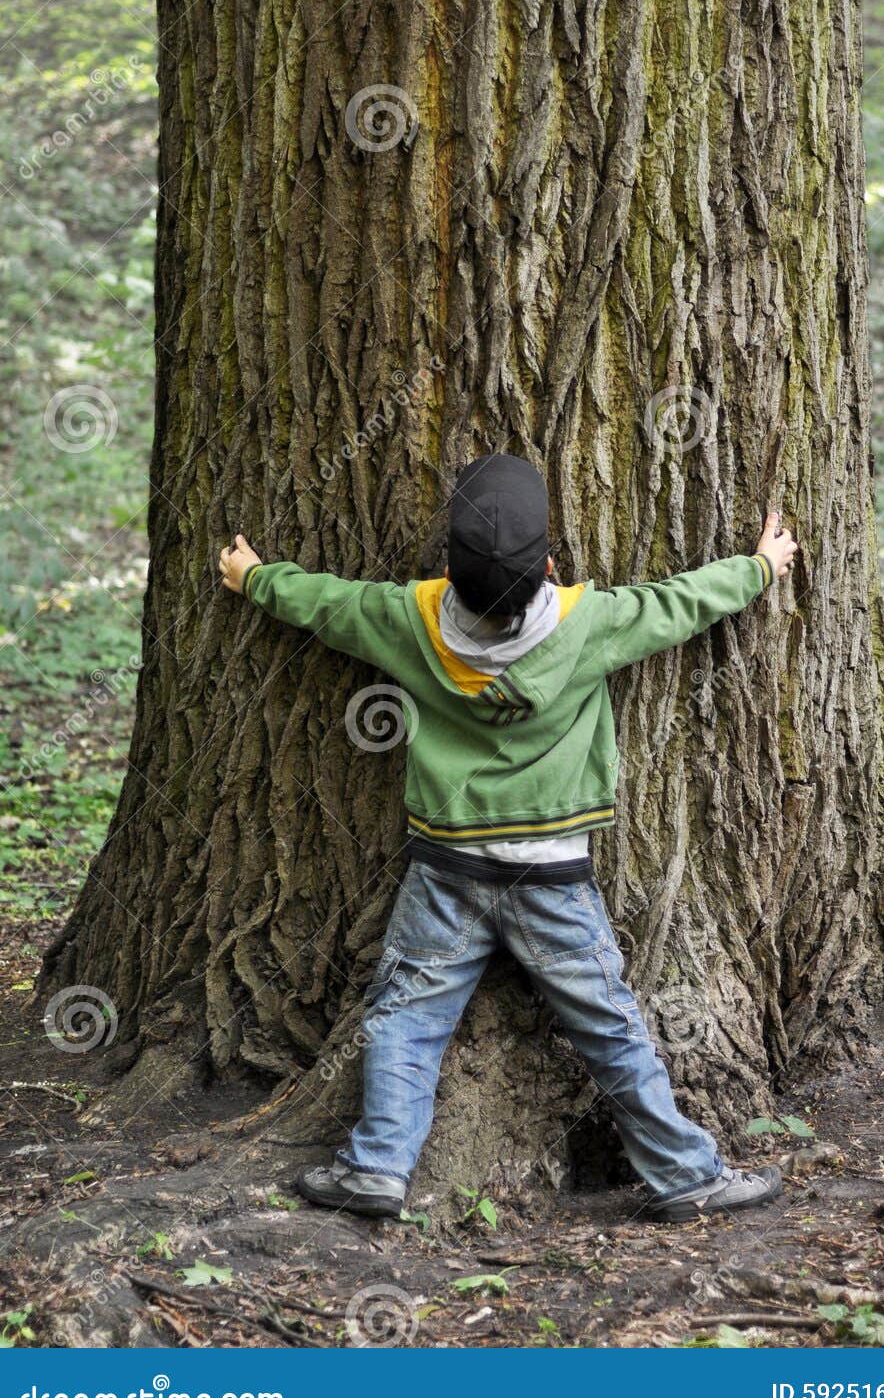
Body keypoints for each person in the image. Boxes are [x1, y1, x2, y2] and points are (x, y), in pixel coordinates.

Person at [218, 454, 799, 1223]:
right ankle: (685, 1176)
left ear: (449, 575)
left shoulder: (408, 617)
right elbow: (682, 603)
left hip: (446, 867)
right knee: (609, 1028)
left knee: (404, 1018)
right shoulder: (592, 622)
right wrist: (760, 566)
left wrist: (255, 576)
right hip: (552, 876)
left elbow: (327, 605)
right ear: (550, 566)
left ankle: (377, 1169)